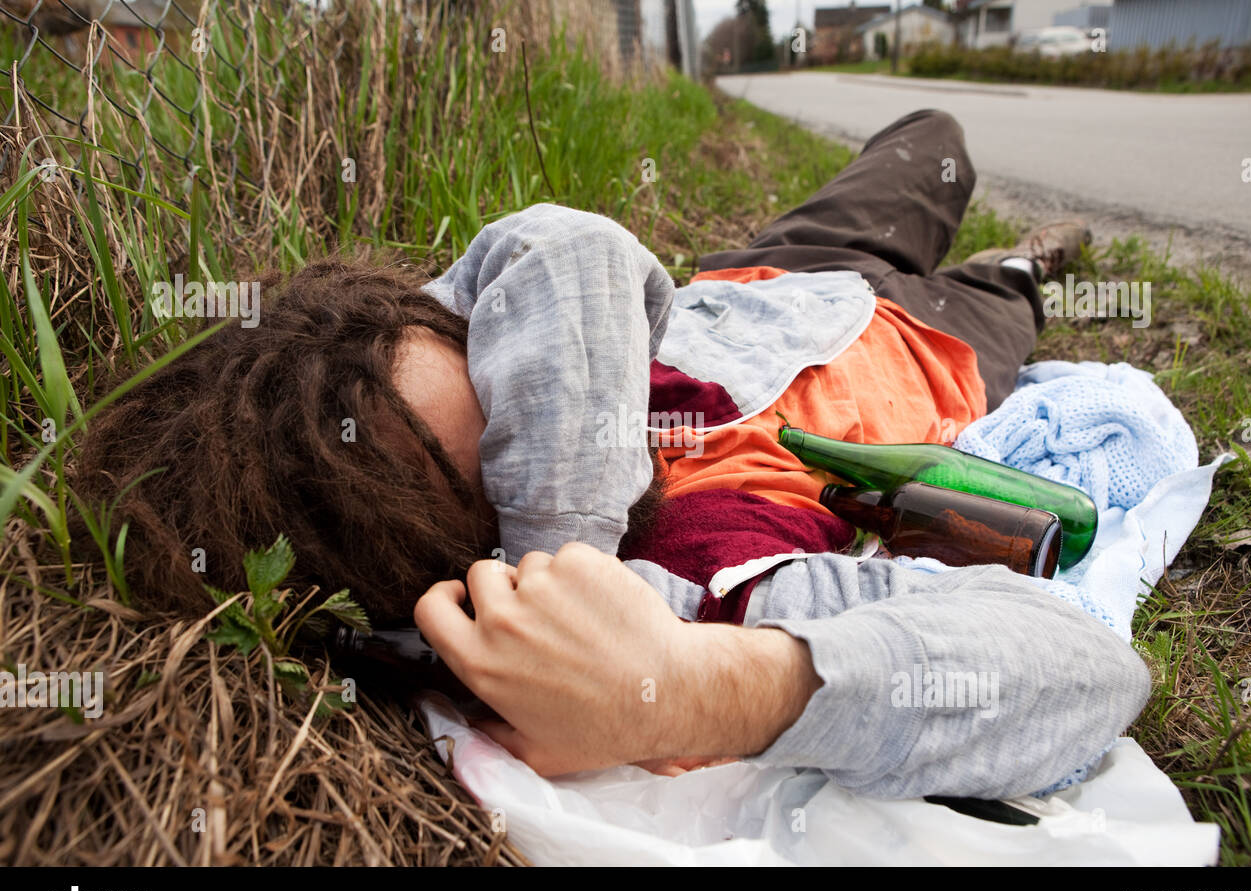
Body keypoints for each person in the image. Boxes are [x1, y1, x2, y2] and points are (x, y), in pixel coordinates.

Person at [76, 109, 1150, 799]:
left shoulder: (416, 363)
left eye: (504, 381)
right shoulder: (695, 592)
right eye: (507, 457)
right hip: (937, 350)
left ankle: (998, 232)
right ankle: (1031, 261)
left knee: (934, 136)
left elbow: (567, 248)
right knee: (1009, 289)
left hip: (776, 277)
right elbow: (1091, 670)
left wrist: (562, 536)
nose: (553, 415)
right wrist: (690, 689)